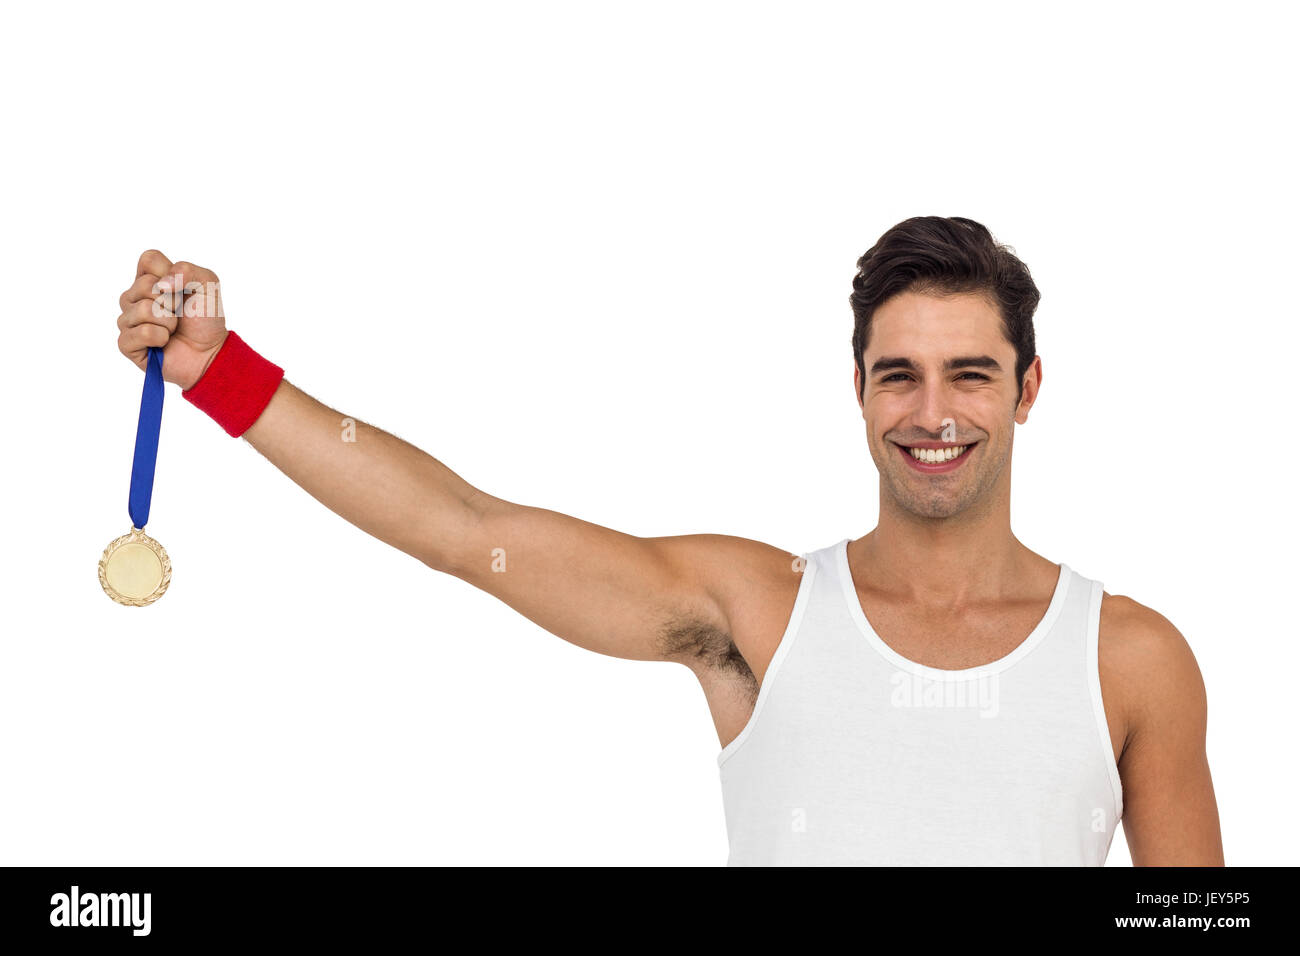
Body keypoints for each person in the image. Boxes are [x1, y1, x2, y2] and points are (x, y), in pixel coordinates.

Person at [114, 216, 1223, 865]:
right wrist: (222, 375)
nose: (934, 412)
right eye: (900, 374)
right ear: (858, 391)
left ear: (1026, 388)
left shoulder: (1129, 657)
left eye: (970, 373)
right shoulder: (758, 612)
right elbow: (465, 531)